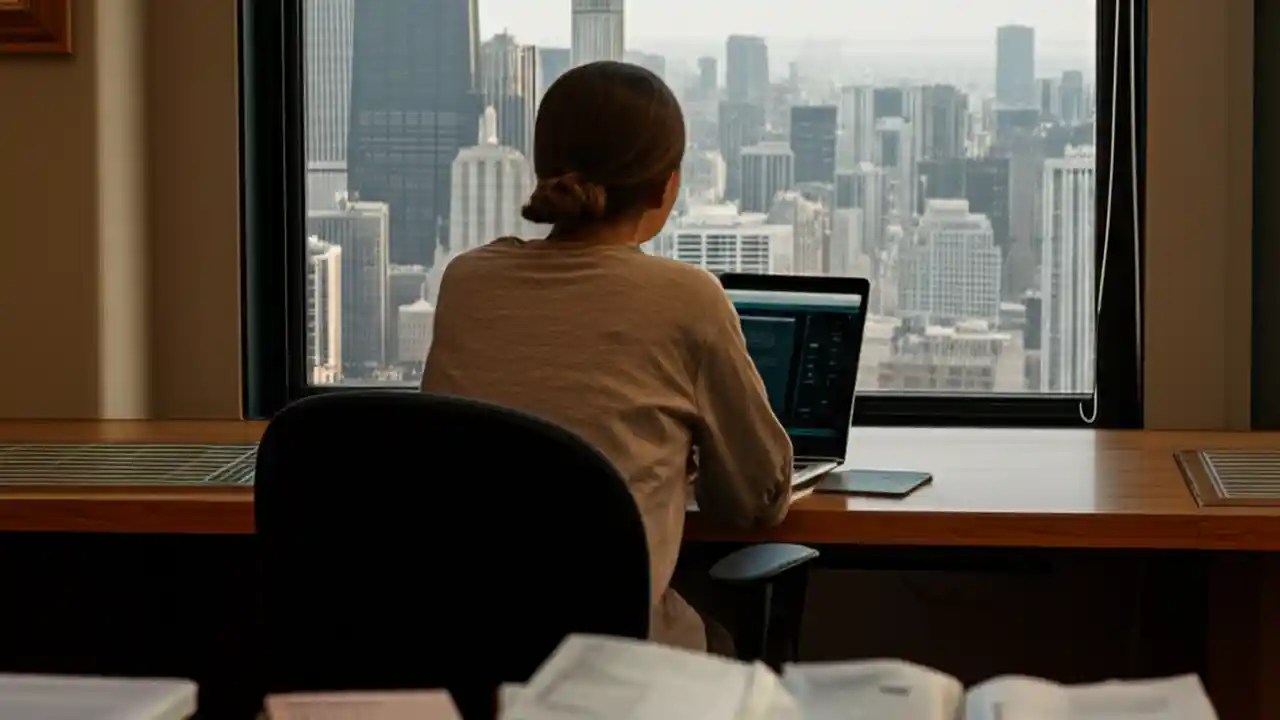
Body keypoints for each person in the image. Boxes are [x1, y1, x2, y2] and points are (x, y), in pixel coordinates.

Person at [421, 60, 793, 653]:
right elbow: (758, 500)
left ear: (546, 170)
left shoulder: (466, 280)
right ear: (666, 186)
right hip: (620, 668)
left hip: (467, 650)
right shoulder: (688, 299)